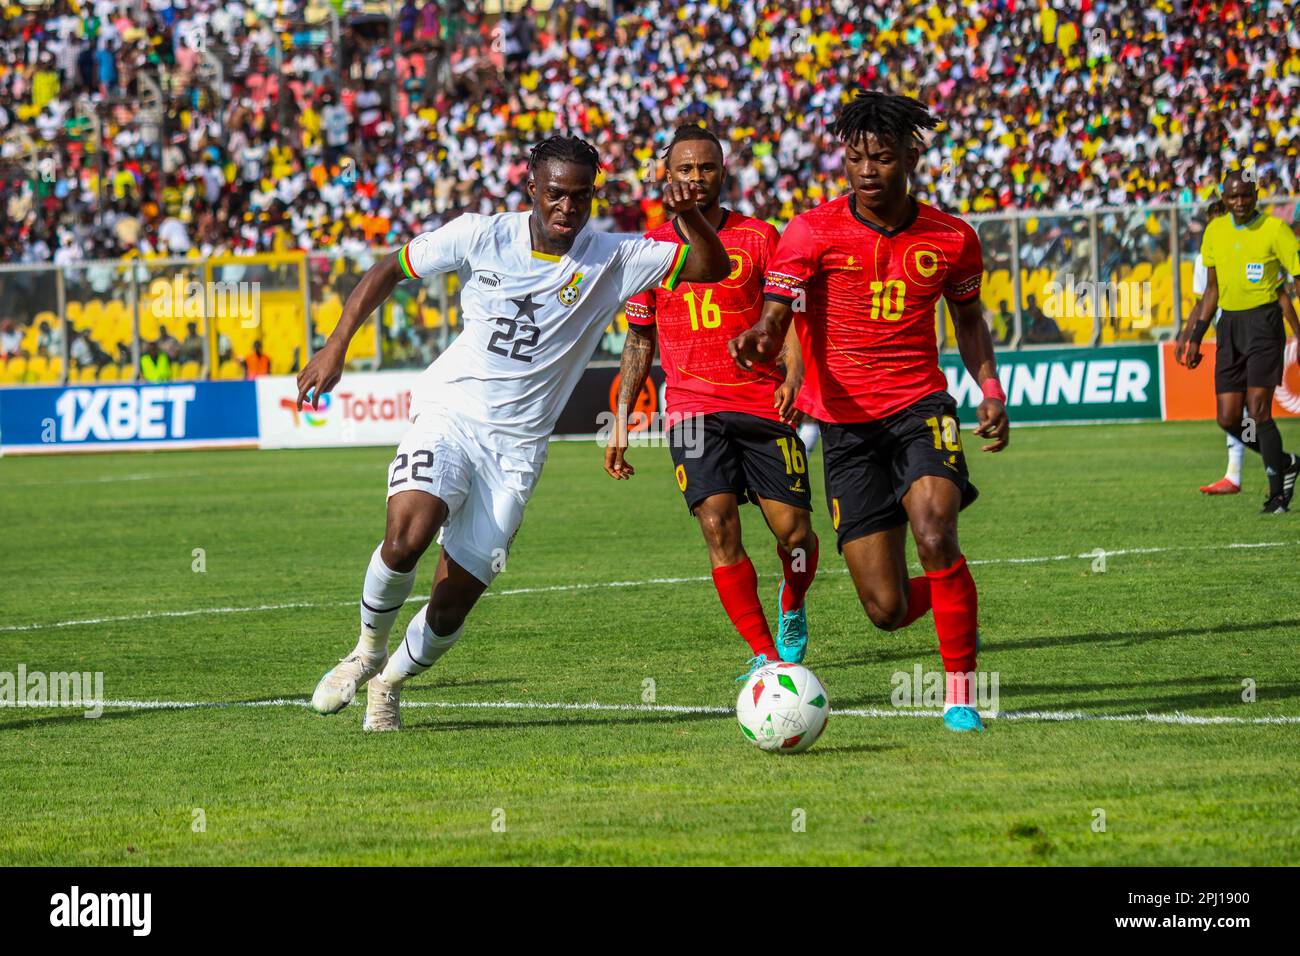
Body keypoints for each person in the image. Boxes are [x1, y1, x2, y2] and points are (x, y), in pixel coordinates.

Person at [297, 135, 728, 732]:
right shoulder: (480, 234)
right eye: (555, 194)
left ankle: (390, 681)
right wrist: (335, 345)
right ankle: (366, 651)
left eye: (580, 198)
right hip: (450, 413)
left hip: (517, 451)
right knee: (407, 536)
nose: (566, 209)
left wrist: (688, 218)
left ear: (592, 197)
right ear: (532, 188)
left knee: (452, 605)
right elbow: (389, 268)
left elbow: (713, 267)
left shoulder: (615, 256)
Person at [729, 90, 1010, 734]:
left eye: (881, 158)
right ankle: (951, 594)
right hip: (845, 429)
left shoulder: (951, 237)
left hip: (920, 406)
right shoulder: (810, 231)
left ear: (911, 154)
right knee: (884, 609)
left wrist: (989, 386)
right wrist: (760, 339)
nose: (867, 171)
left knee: (935, 532)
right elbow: (775, 316)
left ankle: (959, 694)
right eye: (855, 158)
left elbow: (969, 319)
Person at [607, 125, 819, 677]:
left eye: (706, 168)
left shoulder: (760, 237)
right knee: (717, 525)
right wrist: (622, 421)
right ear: (667, 175)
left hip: (761, 402)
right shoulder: (647, 250)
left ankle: (792, 602)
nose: (696, 179)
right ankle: (767, 659)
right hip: (691, 409)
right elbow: (639, 338)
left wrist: (794, 375)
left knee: (794, 534)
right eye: (685, 170)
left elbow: (788, 317)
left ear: (723, 173)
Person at [1178, 170, 1300, 513]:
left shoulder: (1275, 229)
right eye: (1233, 197)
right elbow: (1211, 290)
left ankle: (1277, 495)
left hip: (1264, 324)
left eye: (1246, 196)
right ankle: (1286, 461)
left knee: (1259, 409)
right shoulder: (1215, 231)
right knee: (1228, 418)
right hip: (1229, 326)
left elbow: (1296, 279)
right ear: (1224, 198)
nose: (1240, 203)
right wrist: (1196, 336)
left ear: (1255, 194)